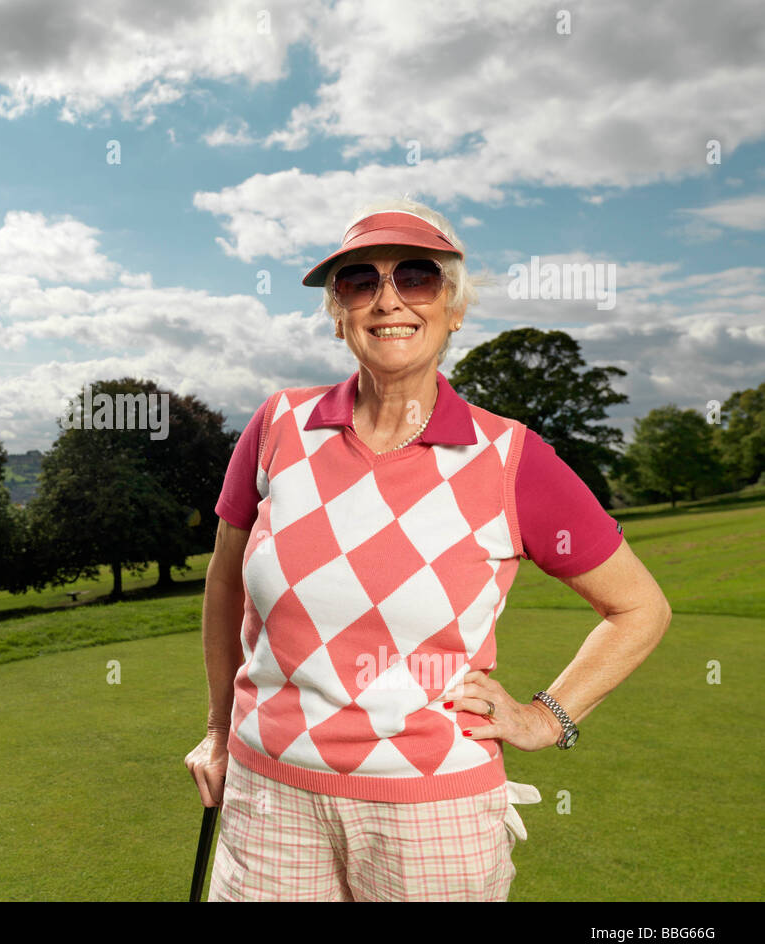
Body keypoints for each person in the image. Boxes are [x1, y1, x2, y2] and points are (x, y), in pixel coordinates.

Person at [184, 198, 671, 902]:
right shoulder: (277, 427)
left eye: (416, 276)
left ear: (454, 306)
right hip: (269, 804)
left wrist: (545, 717)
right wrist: (217, 732)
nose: (388, 300)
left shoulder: (511, 457)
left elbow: (639, 608)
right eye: (360, 281)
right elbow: (224, 586)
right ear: (339, 310)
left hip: (432, 814)